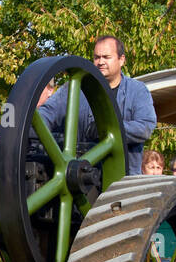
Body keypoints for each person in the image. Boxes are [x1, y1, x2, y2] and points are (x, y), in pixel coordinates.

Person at [36, 35, 158, 174]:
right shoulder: (73, 88)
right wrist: (31, 128)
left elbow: (145, 127)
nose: (100, 62)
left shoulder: (137, 91)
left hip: (123, 179)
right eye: (96, 57)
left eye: (106, 57)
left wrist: (106, 130)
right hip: (79, 176)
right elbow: (47, 113)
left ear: (121, 60)